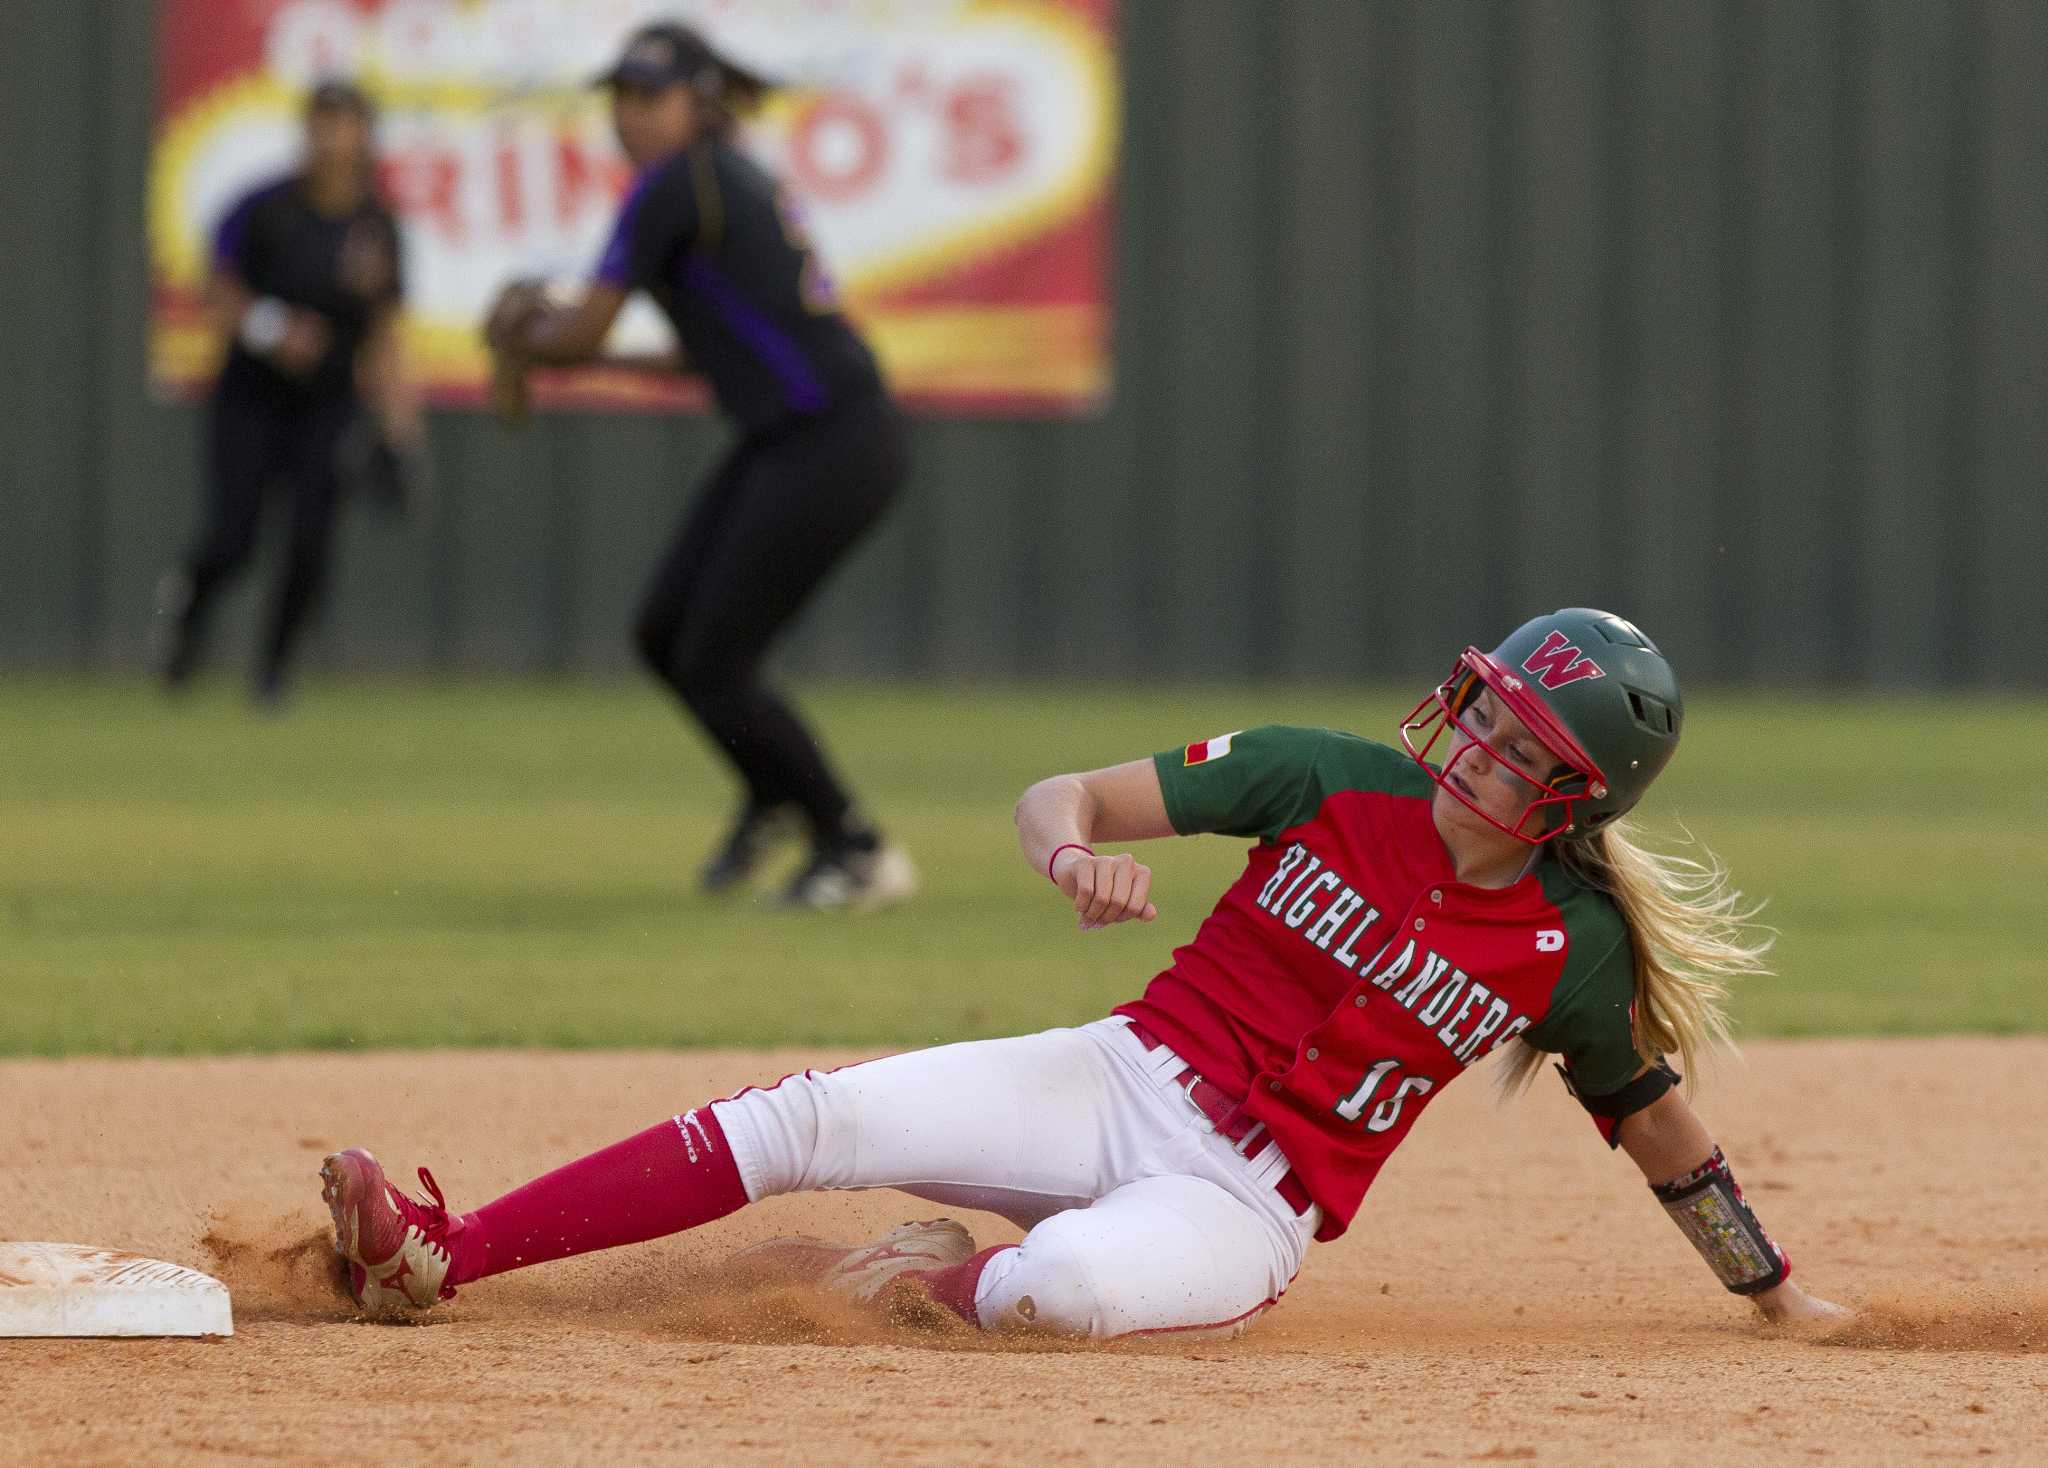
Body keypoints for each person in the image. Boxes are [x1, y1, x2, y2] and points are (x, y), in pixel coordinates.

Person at [319, 608, 1850, 1339]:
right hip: (1120, 1076)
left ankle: (907, 1275)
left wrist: (1771, 1291)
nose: (1486, 752)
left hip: (1243, 1206)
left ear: (1577, 805)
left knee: (1059, 1298)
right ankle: (446, 1257)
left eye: (1531, 752)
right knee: (801, 1118)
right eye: (1491, 713)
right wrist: (1068, 858)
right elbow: (1069, 795)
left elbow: (1658, 1127)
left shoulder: (1565, 949)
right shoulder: (1329, 779)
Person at [481, 23, 913, 909]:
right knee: (664, 636)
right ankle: (771, 796)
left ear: (697, 100)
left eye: (650, 95)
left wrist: (528, 337)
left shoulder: (677, 185)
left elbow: (586, 329)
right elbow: (695, 356)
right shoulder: (718, 176)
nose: (630, 114)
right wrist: (552, 343)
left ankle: (855, 843)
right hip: (803, 437)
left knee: (716, 659)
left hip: (835, 438)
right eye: (620, 96)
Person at [154, 80, 419, 707]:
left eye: (343, 126)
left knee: (310, 539)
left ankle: (272, 674)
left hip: (327, 405)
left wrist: (400, 435)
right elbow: (214, 294)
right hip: (251, 396)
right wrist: (271, 329)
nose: (330, 141)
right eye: (319, 125)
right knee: (236, 535)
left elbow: (384, 336)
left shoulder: (377, 229)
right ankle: (189, 607)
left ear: (364, 137)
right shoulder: (264, 208)